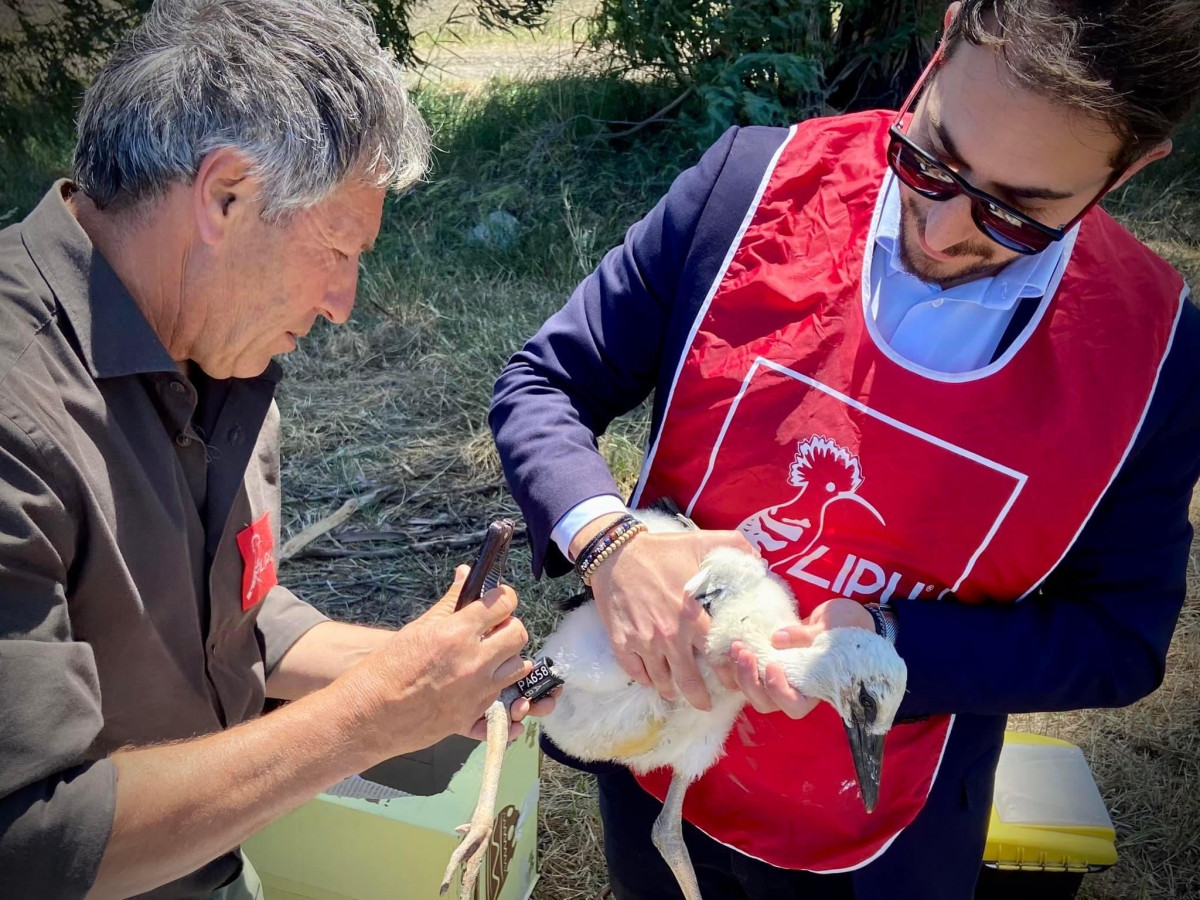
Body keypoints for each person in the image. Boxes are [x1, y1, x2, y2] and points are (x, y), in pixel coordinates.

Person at [491, 1, 1200, 897]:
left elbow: (1119, 640)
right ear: (942, 44)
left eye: (1019, 216)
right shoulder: (750, 190)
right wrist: (610, 543)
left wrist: (889, 639)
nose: (941, 231)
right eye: (931, 157)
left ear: (1129, 168)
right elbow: (544, 385)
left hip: (898, 833)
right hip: (663, 762)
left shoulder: (1151, 357)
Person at [0, 1, 552, 897]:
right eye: (336, 249)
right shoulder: (18, 408)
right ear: (224, 195)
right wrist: (372, 717)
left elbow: (234, 618)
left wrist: (420, 670)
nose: (344, 302)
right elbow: (30, 839)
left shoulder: (220, 350)